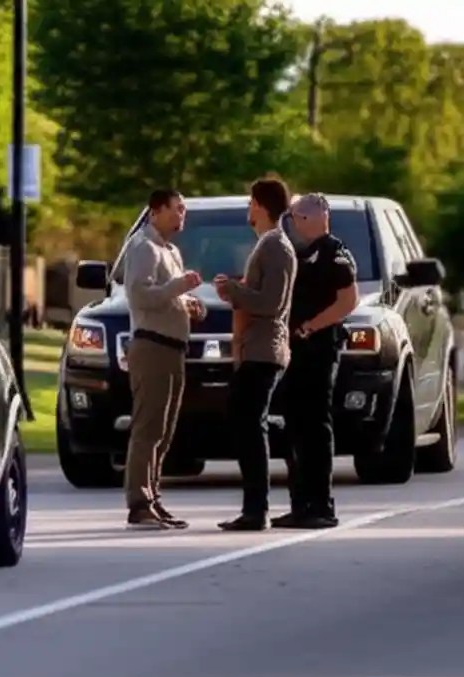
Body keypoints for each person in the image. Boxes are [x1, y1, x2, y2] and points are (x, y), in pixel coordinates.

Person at [213, 177, 297, 532]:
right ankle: (255, 506)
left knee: (250, 425)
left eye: (251, 202)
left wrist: (233, 290)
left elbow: (271, 302)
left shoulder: (275, 246)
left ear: (261, 206)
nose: (248, 208)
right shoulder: (267, 244)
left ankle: (256, 509)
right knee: (246, 423)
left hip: (265, 349)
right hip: (256, 348)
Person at [273, 193, 360, 529]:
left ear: (308, 219)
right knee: (294, 425)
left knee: (315, 426)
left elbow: (348, 301)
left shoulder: (334, 254)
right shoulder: (297, 253)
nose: (291, 225)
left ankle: (321, 504)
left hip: (319, 348)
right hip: (294, 350)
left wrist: (311, 326)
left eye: (294, 219)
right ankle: (300, 503)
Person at [121, 188, 204, 530]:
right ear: (155, 211)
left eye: (184, 210)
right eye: (176, 209)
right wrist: (178, 288)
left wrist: (189, 305)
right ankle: (139, 505)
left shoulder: (170, 251)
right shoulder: (144, 247)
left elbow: (166, 296)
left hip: (173, 347)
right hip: (151, 345)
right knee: (147, 427)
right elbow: (139, 295)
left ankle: (153, 498)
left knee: (164, 430)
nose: (182, 215)